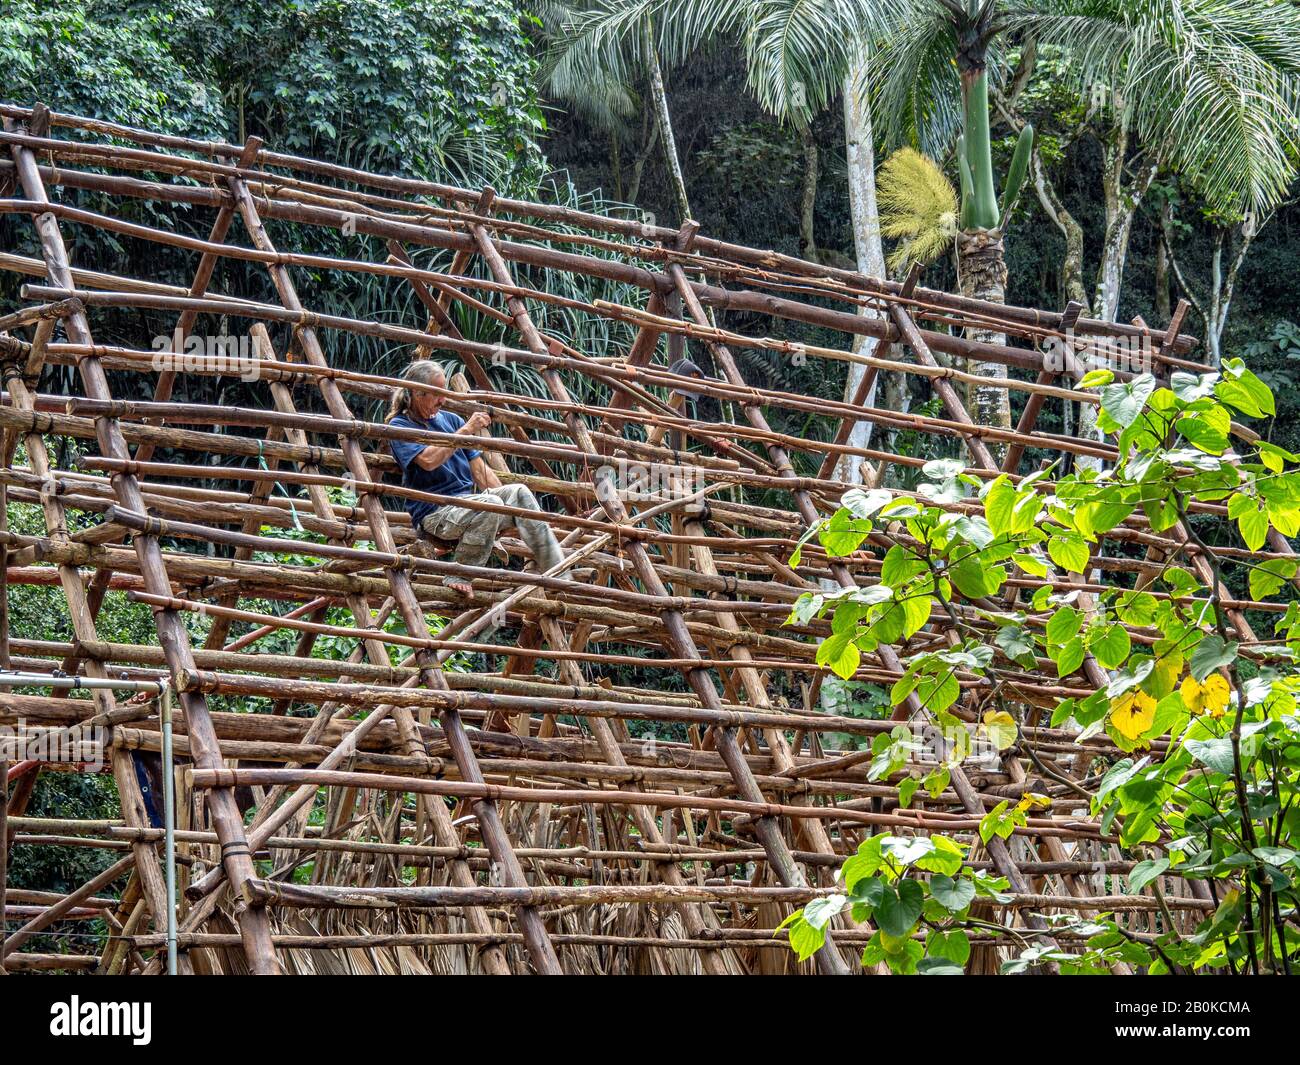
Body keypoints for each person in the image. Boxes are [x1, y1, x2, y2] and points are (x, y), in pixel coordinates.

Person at [386, 359, 565, 597]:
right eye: (436, 393)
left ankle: (559, 573)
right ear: (417, 394)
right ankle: (459, 574)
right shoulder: (400, 426)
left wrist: (509, 508)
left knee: (518, 492)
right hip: (436, 514)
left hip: (470, 508)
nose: (443, 399)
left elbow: (480, 472)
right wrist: (464, 432)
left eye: (444, 393)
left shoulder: (451, 420)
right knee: (490, 505)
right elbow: (428, 461)